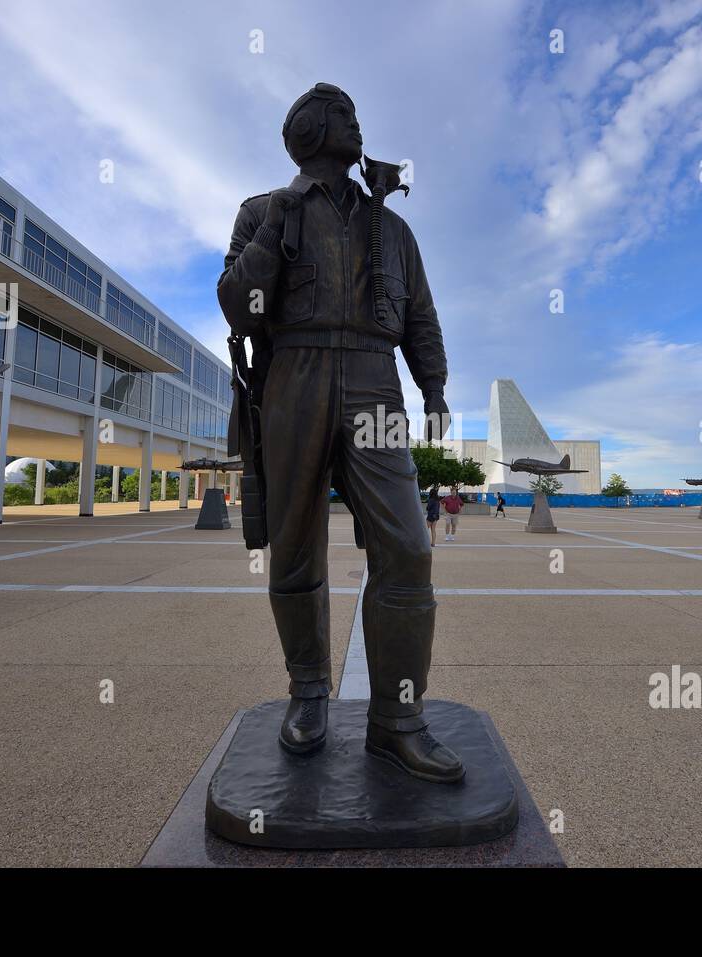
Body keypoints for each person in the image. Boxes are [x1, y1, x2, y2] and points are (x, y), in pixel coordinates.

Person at [217, 83, 462, 781]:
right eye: (347, 116)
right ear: (312, 130)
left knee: (409, 547)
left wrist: (434, 386)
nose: (359, 126)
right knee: (294, 545)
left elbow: (420, 316)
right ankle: (308, 694)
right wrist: (278, 226)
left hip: (375, 377)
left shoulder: (393, 228)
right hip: (292, 375)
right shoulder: (263, 211)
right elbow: (239, 305)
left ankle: (398, 718)